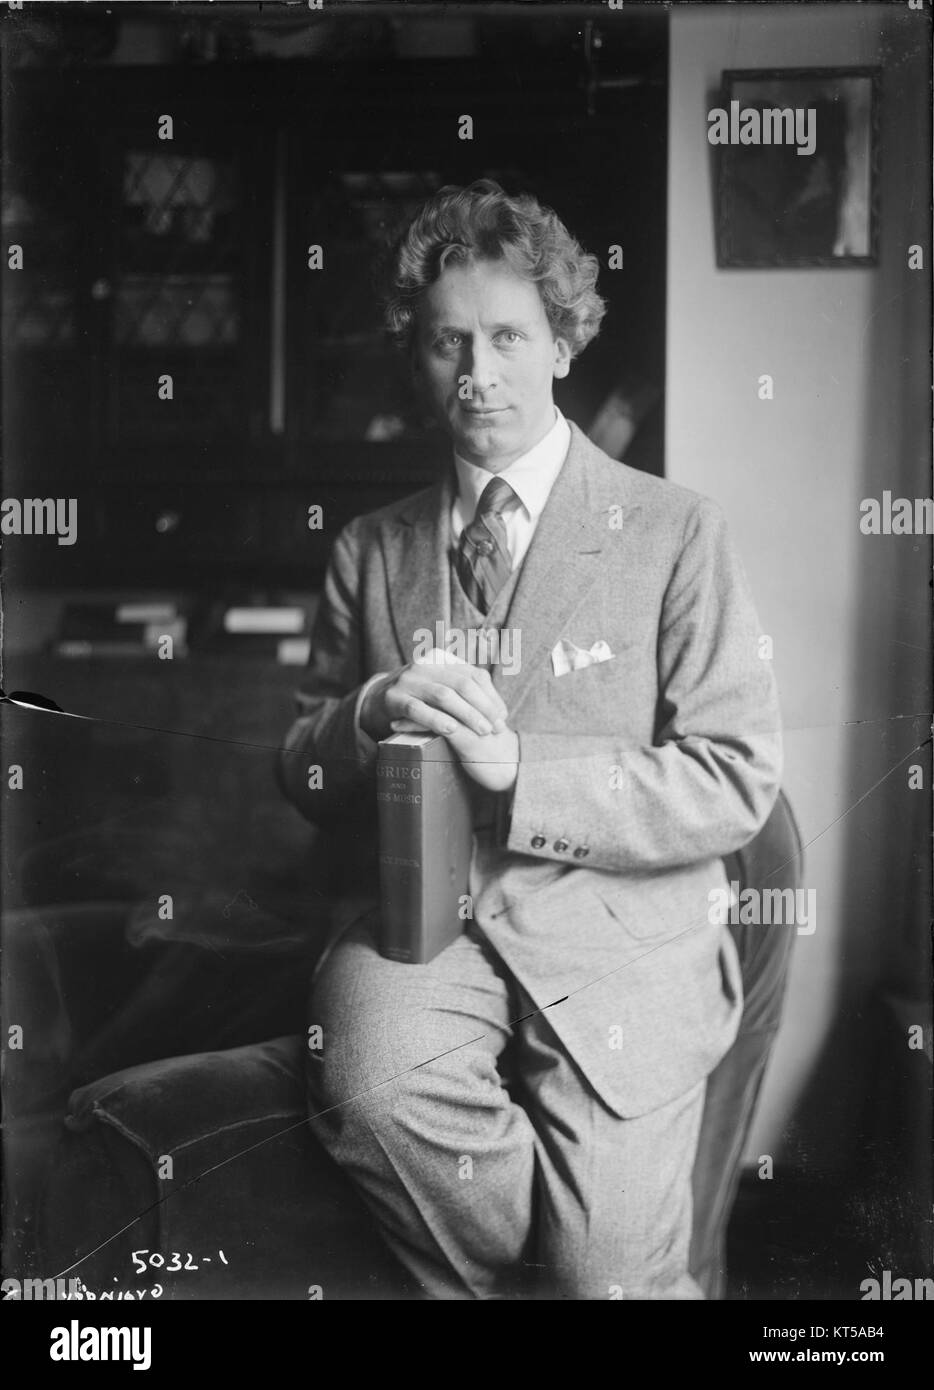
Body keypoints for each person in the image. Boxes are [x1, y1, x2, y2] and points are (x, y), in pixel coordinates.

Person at [279, 179, 783, 1300]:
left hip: (621, 937)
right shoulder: (371, 549)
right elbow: (300, 764)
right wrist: (363, 714)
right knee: (365, 1085)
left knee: (604, 1273)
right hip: (424, 930)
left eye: (508, 336)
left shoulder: (674, 529)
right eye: (445, 342)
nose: (477, 373)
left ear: (562, 340)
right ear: (414, 357)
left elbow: (736, 780)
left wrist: (526, 775)